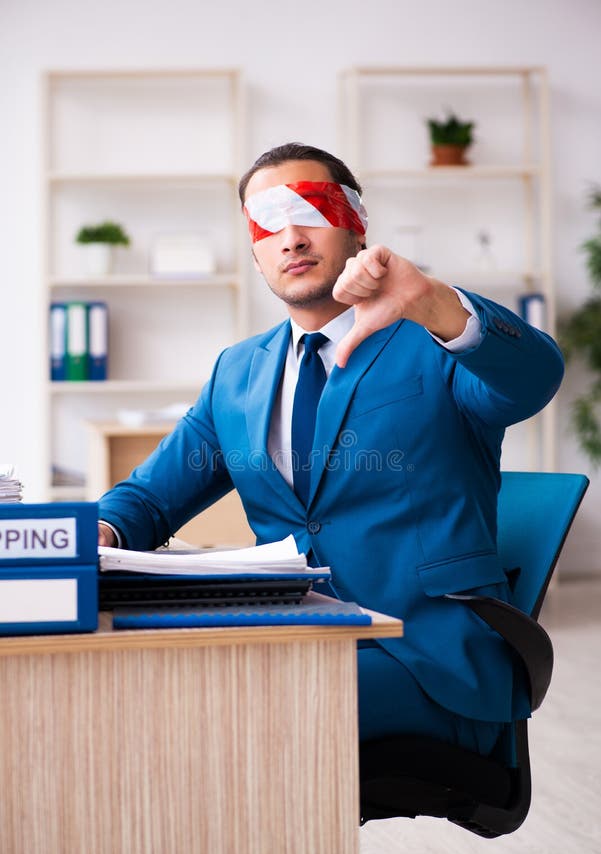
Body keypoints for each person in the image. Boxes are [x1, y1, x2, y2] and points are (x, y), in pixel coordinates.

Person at [98, 142, 563, 754]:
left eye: (311, 211)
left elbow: (534, 377)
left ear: (356, 225)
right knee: (136, 692)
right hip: (294, 634)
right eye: (268, 222)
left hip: (430, 660)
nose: (291, 237)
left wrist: (436, 305)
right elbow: (149, 500)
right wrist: (92, 534)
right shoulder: (237, 374)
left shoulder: (435, 339)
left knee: (215, 713)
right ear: (256, 251)